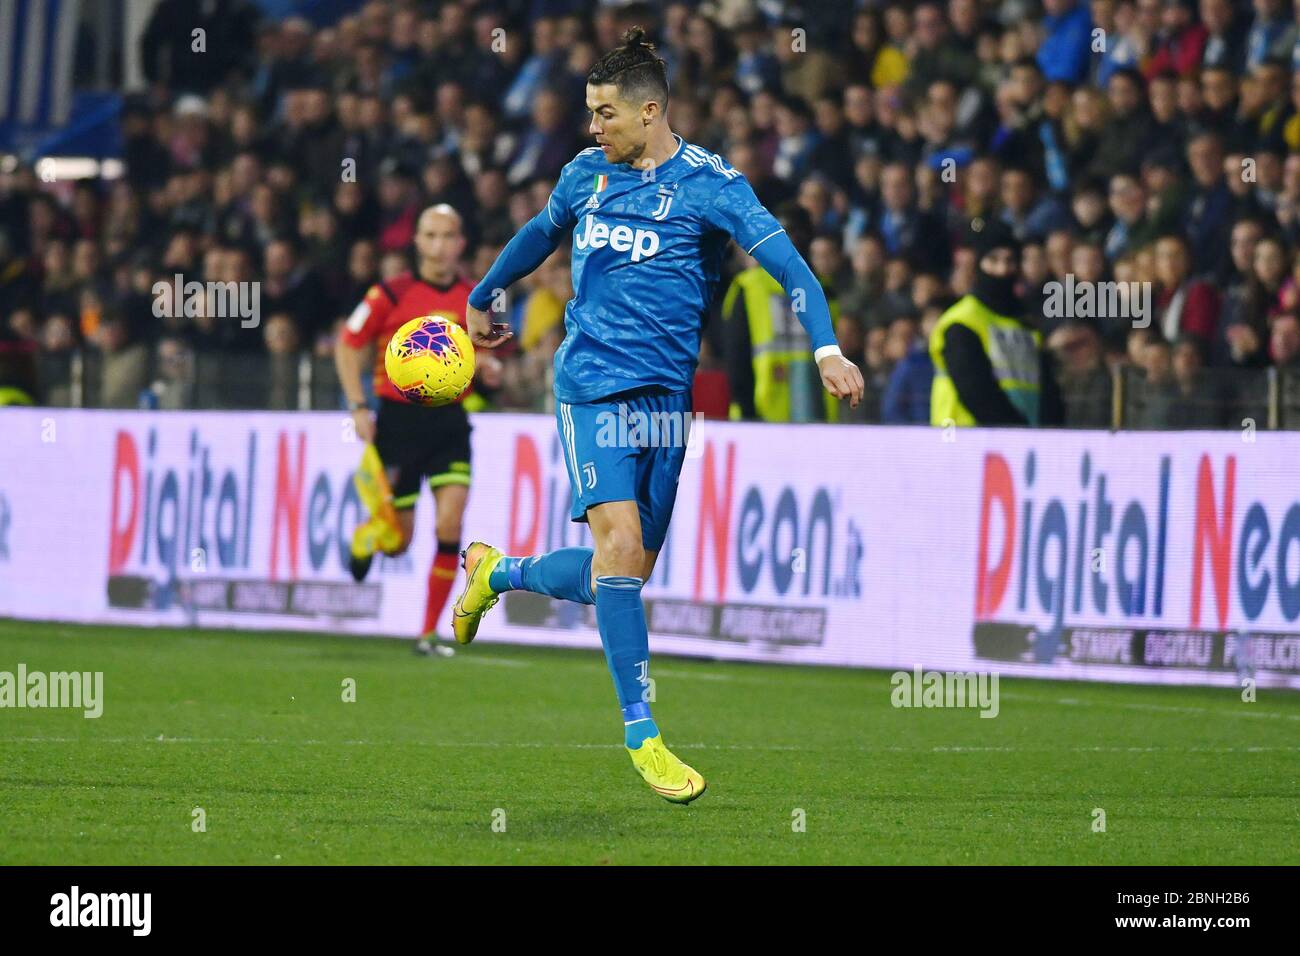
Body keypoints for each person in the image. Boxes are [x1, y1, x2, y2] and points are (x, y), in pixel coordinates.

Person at [453, 28, 863, 804]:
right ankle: (643, 734)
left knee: (627, 572)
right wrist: (483, 293)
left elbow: (790, 266)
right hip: (591, 385)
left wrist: (827, 350)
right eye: (589, 112)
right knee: (619, 545)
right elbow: (541, 234)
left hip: (667, 404)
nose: (593, 127)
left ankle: (496, 570)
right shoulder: (584, 177)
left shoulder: (712, 186)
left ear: (650, 112)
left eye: (605, 113)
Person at [334, 204, 482, 656]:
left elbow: (491, 351)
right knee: (399, 543)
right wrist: (358, 405)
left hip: (449, 421)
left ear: (460, 243)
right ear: (417, 241)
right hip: (398, 421)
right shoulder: (389, 294)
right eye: (430, 236)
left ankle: (427, 633)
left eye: (448, 236)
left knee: (450, 522)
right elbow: (348, 343)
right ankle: (369, 536)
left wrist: (490, 368)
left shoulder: (476, 297)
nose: (439, 246)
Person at [929, 220, 1063, 427]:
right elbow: (975, 390)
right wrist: (1017, 432)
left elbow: (1047, 391)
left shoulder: (1026, 325)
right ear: (979, 265)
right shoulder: (961, 322)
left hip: (1020, 445)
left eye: (1010, 261)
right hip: (965, 443)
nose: (1002, 270)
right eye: (993, 260)